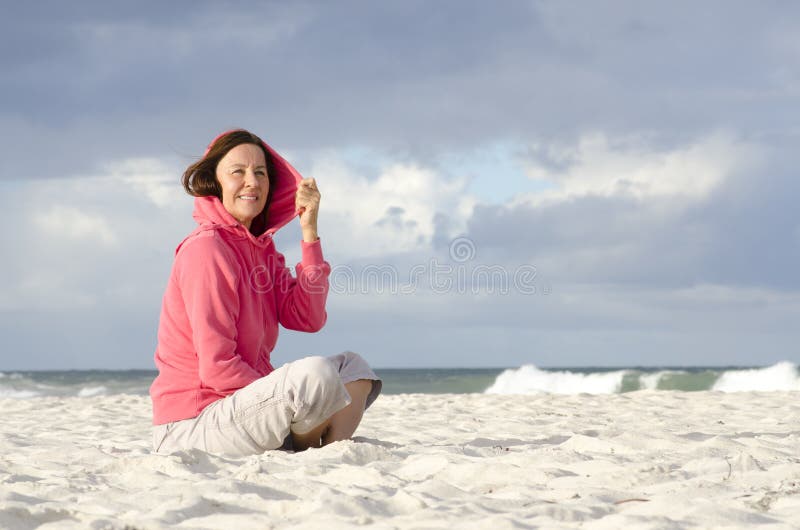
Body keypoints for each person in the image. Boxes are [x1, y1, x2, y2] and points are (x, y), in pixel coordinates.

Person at [149, 129, 381, 456]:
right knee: (314, 376)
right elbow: (217, 369)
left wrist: (309, 232)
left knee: (353, 369)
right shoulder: (206, 250)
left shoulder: (263, 251)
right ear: (214, 183)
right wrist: (283, 395)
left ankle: (319, 452)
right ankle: (301, 447)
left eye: (261, 173)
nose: (252, 182)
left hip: (243, 409)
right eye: (237, 172)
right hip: (195, 424)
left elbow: (308, 317)